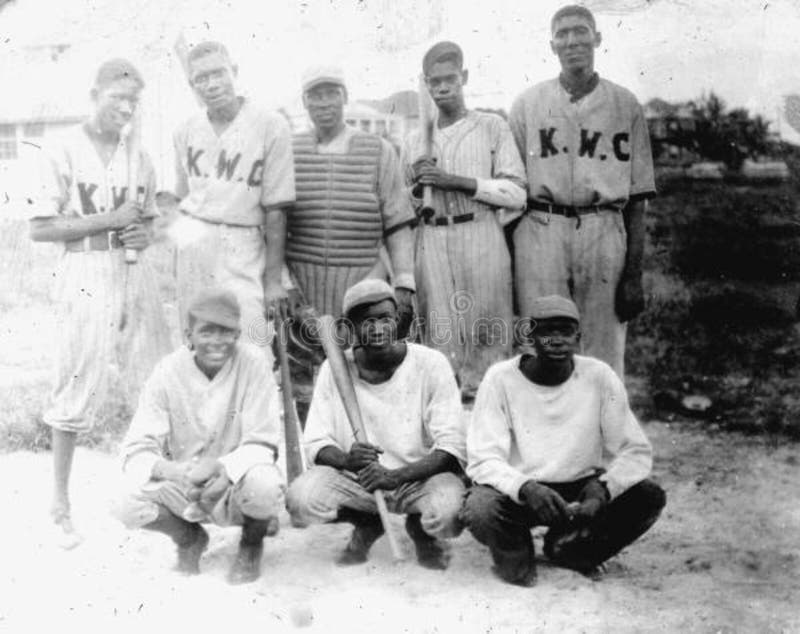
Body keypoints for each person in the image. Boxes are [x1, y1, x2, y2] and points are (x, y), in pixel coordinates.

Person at [28, 58, 172, 549]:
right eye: (117, 97)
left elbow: (151, 221)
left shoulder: (142, 155)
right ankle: (59, 506)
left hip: (133, 270)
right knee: (75, 380)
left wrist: (141, 231)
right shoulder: (62, 148)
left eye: (133, 100)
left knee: (154, 378)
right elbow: (41, 227)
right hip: (84, 270)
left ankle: (154, 496)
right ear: (95, 95)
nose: (125, 108)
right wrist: (110, 219)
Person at [461, 295, 666, 586]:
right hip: (522, 493)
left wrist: (603, 489)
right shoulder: (500, 379)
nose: (557, 340)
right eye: (547, 331)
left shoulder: (598, 376)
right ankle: (517, 556)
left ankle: (570, 548)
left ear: (578, 338)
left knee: (647, 496)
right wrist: (526, 488)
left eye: (565, 331)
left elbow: (636, 450)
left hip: (580, 488)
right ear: (530, 335)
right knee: (480, 508)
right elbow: (483, 459)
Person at [508, 5, 657, 377]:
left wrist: (634, 275)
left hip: (602, 227)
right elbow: (509, 189)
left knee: (602, 349)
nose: (572, 40)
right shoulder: (528, 104)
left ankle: (602, 433)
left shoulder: (625, 104)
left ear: (597, 39)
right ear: (552, 44)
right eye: (563, 34)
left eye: (580, 31)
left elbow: (638, 198)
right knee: (539, 340)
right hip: (541, 224)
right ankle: (540, 432)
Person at [287, 279, 465, 569]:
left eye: (385, 318)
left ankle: (420, 529)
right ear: (348, 327)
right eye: (367, 321)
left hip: (417, 480)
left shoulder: (431, 363)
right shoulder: (334, 369)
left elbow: (451, 447)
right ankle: (368, 521)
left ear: (397, 319)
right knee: (301, 500)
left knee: (450, 513)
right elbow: (316, 444)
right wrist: (346, 459)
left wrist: (396, 477)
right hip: (361, 481)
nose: (378, 328)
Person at [115, 288, 285, 584]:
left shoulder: (254, 364)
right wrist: (174, 471)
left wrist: (224, 469)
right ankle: (189, 538)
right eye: (207, 332)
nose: (218, 342)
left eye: (226, 332)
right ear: (188, 335)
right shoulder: (167, 371)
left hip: (236, 481)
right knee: (121, 500)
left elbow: (264, 441)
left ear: (237, 333)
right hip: (185, 482)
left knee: (265, 483)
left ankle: (251, 544)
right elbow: (136, 447)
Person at [284, 65, 417, 421]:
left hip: (362, 283)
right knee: (306, 387)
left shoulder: (377, 151)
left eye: (331, 93)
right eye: (315, 95)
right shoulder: (288, 149)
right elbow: (274, 222)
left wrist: (404, 281)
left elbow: (398, 223)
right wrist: (284, 284)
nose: (324, 103)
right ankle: (319, 463)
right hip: (303, 284)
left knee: (367, 377)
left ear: (345, 96)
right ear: (304, 101)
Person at [403, 42, 527, 402]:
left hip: (481, 232)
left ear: (465, 78)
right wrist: (416, 185)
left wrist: (456, 181)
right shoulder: (415, 139)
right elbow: (402, 204)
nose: (442, 87)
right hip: (433, 238)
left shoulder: (491, 126)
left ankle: (492, 426)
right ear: (426, 85)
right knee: (440, 341)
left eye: (450, 79)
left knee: (489, 335)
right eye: (434, 81)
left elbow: (517, 193)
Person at [172, 40, 295, 352]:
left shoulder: (270, 124)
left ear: (234, 72)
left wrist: (272, 280)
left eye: (218, 73)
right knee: (198, 345)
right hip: (196, 243)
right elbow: (180, 199)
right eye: (201, 78)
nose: (212, 84)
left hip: (244, 241)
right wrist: (183, 249)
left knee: (252, 343)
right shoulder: (185, 129)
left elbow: (277, 210)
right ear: (192, 85)